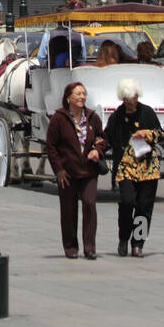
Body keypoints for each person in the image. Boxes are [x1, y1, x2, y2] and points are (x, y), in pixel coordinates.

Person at [46, 81, 106, 259]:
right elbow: (51, 146)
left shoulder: (92, 117)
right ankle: (71, 247)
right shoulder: (59, 118)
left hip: (88, 171)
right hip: (68, 172)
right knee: (68, 210)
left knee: (89, 203)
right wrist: (59, 170)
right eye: (78, 94)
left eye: (84, 94)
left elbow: (102, 138)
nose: (82, 97)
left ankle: (90, 247)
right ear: (68, 98)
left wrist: (98, 150)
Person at [104, 78, 164, 257]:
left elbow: (161, 135)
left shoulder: (147, 113)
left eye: (134, 99)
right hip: (125, 167)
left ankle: (138, 243)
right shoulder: (117, 116)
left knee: (144, 207)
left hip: (147, 167)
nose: (132, 104)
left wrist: (147, 134)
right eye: (128, 100)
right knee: (127, 201)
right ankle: (123, 238)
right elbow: (107, 138)